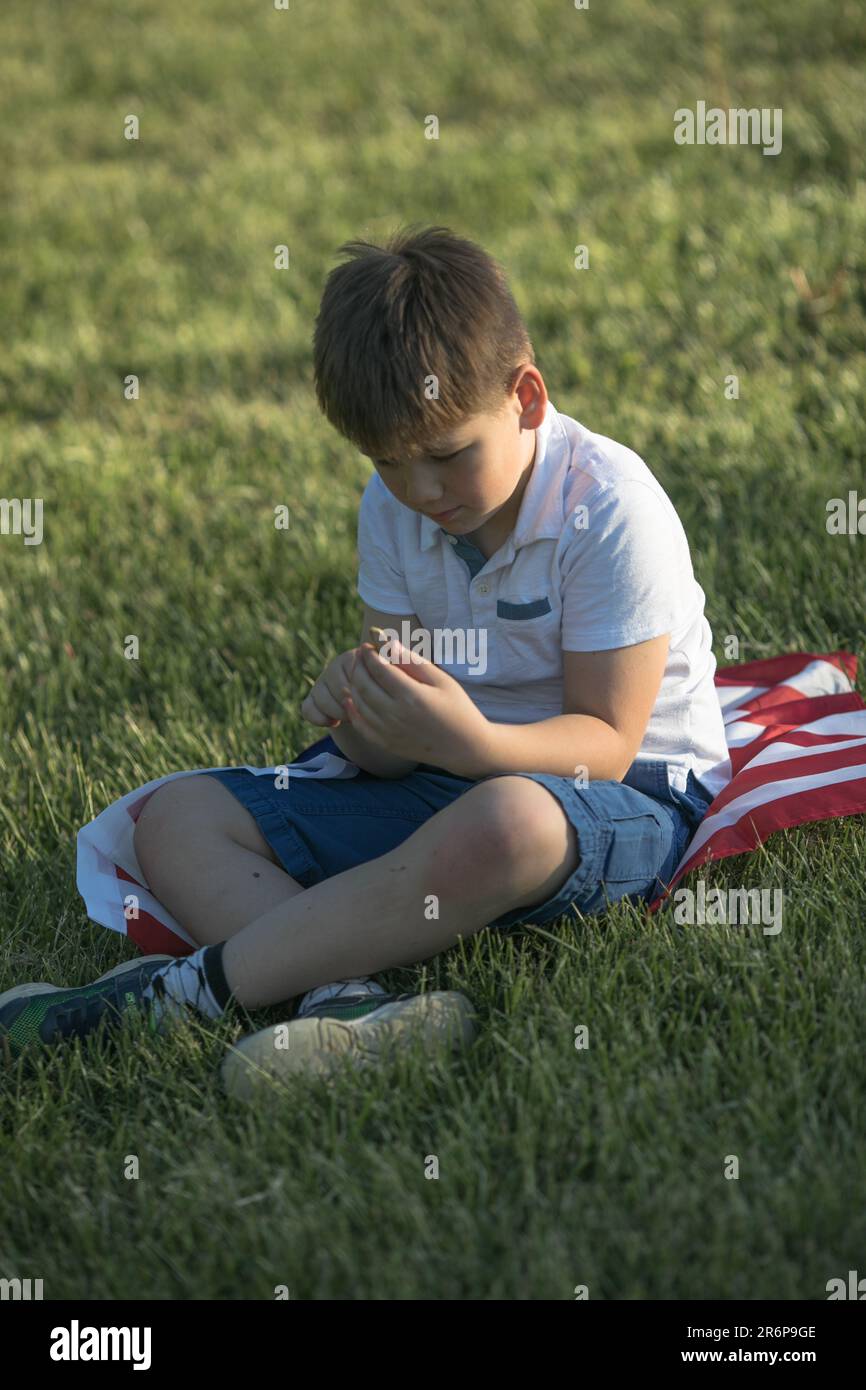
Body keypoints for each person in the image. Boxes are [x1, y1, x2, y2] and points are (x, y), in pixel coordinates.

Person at [0, 225, 727, 1089]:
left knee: (509, 823)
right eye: (387, 462)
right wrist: (363, 714)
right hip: (445, 781)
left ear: (526, 398)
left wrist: (468, 744)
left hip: (621, 800)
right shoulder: (396, 510)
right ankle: (347, 1001)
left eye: (448, 455)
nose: (421, 492)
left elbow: (607, 741)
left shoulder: (609, 509)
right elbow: (387, 745)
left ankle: (179, 993)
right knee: (177, 818)